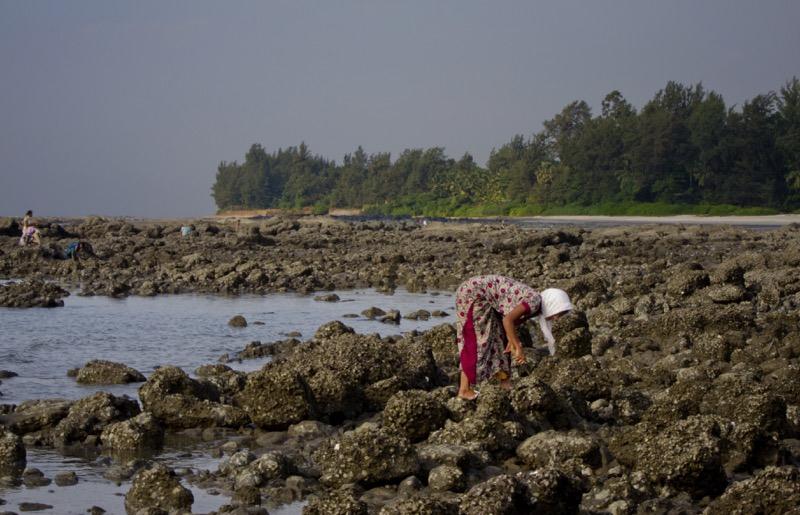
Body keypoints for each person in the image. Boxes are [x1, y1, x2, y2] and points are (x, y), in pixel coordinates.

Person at [455, 274, 573, 400]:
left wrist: (511, 341)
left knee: (501, 341)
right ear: (552, 303)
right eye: (558, 313)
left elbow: (507, 322)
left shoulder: (535, 305)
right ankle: (464, 390)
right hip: (473, 294)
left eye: (561, 315)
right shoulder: (534, 301)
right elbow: (507, 320)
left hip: (485, 297)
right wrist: (518, 346)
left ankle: (505, 384)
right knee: (477, 342)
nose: (556, 318)